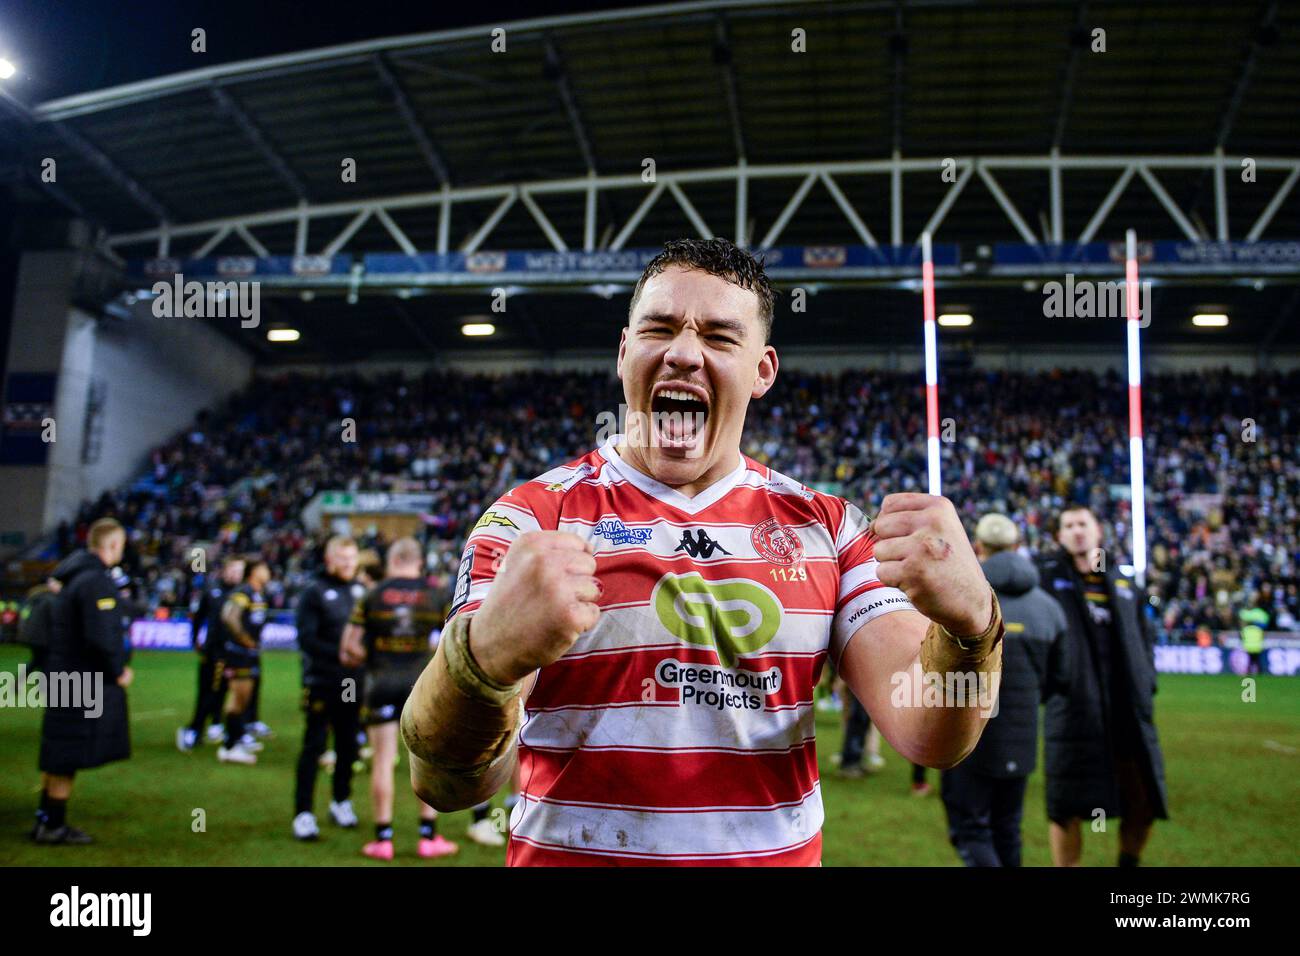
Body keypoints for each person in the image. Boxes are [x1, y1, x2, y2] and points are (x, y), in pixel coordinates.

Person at [401, 238, 1004, 866]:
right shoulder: (532, 518)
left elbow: (931, 735)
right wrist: (483, 660)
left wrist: (972, 626)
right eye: (659, 328)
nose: (683, 353)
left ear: (763, 370)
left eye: (719, 337)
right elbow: (446, 782)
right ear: (623, 351)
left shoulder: (828, 528)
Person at [1039, 505, 1168, 867]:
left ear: (1098, 532)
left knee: (1143, 801)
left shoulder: (1125, 584)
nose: (1077, 531)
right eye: (1068, 525)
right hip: (1074, 710)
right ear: (1059, 536)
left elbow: (1144, 640)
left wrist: (1148, 682)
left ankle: (1128, 864)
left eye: (1083, 524)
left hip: (1129, 712)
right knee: (1067, 807)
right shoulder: (1047, 579)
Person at [940, 513, 1064, 866]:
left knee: (971, 830)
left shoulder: (958, 601)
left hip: (968, 735)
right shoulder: (1049, 609)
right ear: (1017, 547)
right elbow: (1061, 679)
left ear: (978, 548)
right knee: (1008, 828)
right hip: (1023, 738)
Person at [341, 538, 459, 860]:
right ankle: (428, 837)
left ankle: (383, 839)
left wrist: (375, 655)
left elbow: (348, 647)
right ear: (418, 561)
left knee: (382, 760)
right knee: (427, 760)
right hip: (419, 685)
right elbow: (453, 643)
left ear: (391, 560)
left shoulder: (372, 594)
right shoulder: (434, 594)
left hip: (380, 682)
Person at [32, 518, 134, 845]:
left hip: (62, 673)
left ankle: (45, 820)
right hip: (79, 679)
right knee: (67, 753)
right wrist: (118, 670)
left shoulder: (73, 578)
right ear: (114, 545)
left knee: (57, 749)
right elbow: (102, 635)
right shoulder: (96, 582)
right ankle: (53, 826)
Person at [293, 536, 365, 840]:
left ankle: (341, 802)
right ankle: (303, 813)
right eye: (343, 558)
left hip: (354, 683)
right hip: (322, 682)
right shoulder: (313, 592)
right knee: (314, 746)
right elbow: (306, 639)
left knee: (348, 746)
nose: (348, 564)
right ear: (329, 559)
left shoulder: (360, 590)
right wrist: (342, 653)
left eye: (352, 558)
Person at [177, 554, 245, 751]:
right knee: (207, 692)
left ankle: (217, 724)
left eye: (239, 571)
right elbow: (199, 617)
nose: (235, 575)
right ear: (224, 570)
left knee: (226, 691)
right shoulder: (212, 590)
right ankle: (194, 729)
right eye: (233, 570)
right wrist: (195, 638)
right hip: (214, 651)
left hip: (234, 653)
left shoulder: (242, 593)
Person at [217, 558, 272, 765]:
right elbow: (229, 616)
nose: (268, 572)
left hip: (249, 654)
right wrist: (245, 640)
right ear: (254, 571)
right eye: (264, 568)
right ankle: (230, 745)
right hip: (239, 653)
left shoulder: (258, 594)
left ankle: (237, 738)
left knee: (245, 697)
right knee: (238, 698)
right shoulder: (243, 592)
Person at [17, 577, 61, 674]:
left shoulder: (35, 598)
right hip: (41, 636)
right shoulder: (50, 599)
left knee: (39, 660)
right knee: (44, 660)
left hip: (30, 634)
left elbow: (25, 615)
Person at [1238, 596, 1268, 675]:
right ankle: (1259, 673)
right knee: (1257, 661)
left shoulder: (1245, 629)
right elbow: (1262, 637)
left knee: (1250, 661)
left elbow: (1241, 637)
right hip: (1257, 647)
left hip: (1249, 647)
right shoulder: (1258, 629)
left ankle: (1249, 672)